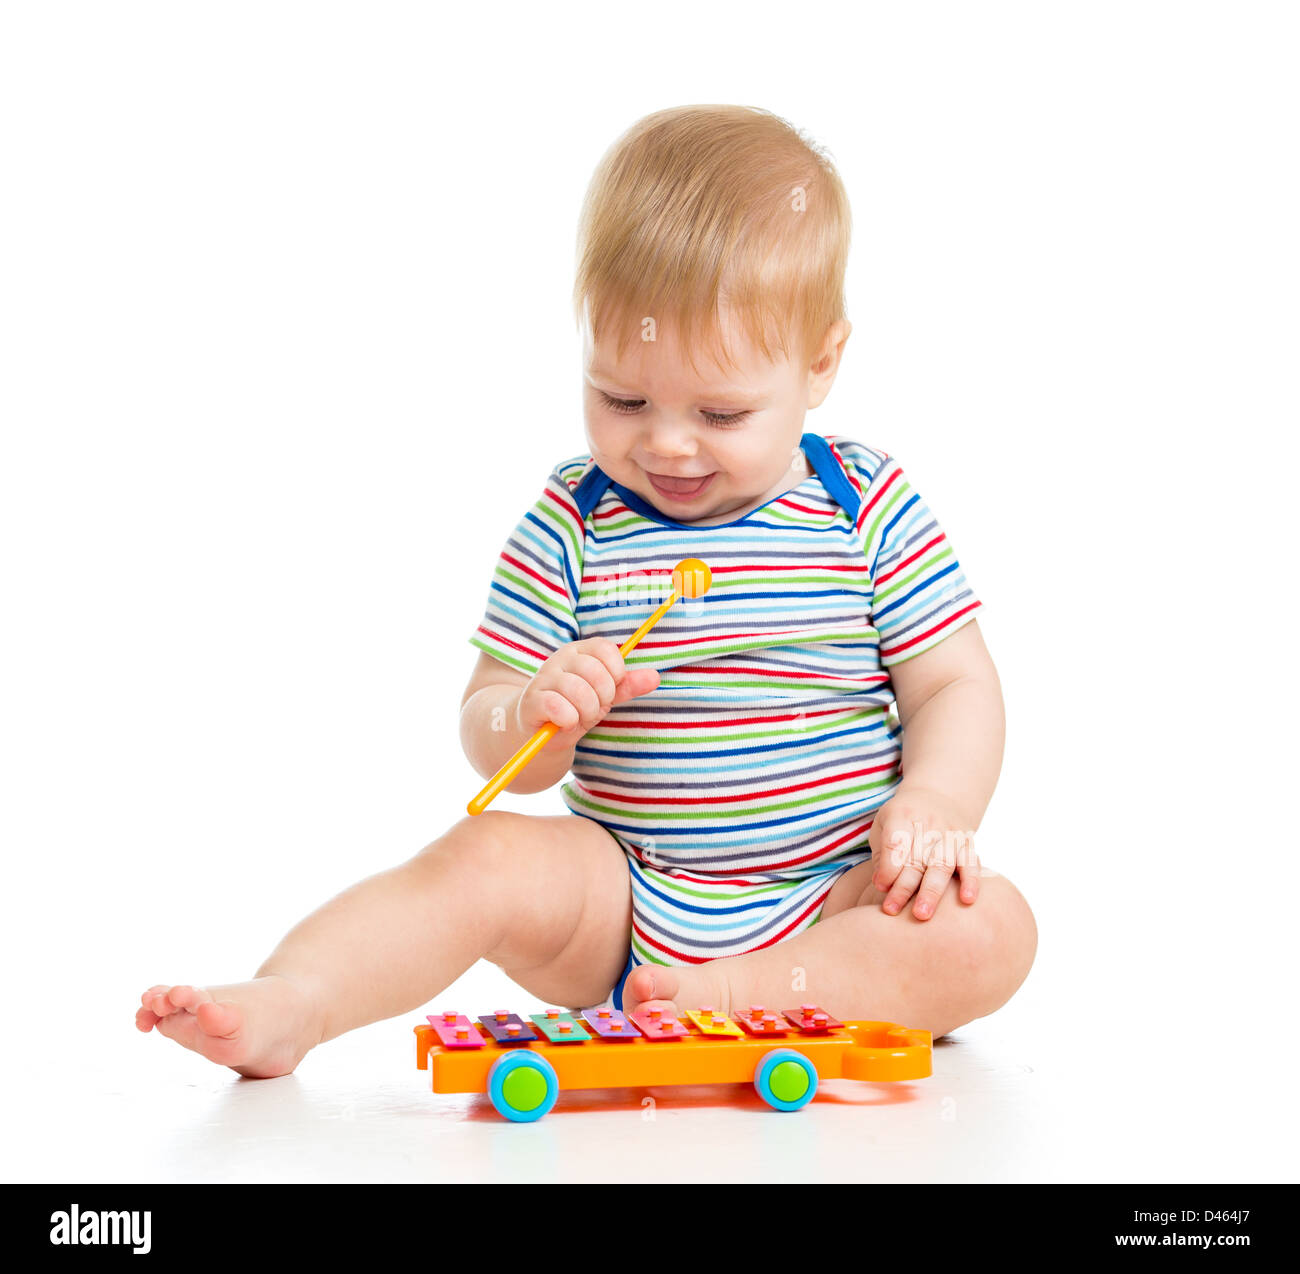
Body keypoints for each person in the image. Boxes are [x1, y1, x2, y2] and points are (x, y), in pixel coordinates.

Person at [137, 104, 1036, 1078]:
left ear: (820, 362)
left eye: (721, 410)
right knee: (479, 858)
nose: (666, 442)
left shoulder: (865, 504)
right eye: (623, 397)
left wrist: (937, 798)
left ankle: (733, 999)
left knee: (992, 929)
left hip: (838, 898)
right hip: (622, 898)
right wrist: (531, 711)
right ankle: (298, 997)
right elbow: (491, 734)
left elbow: (953, 683)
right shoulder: (572, 522)